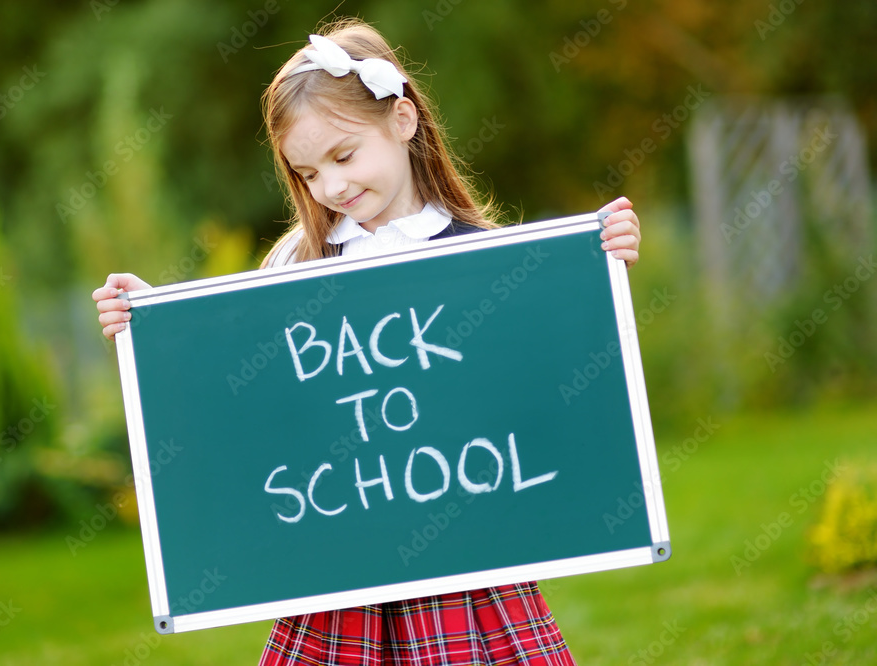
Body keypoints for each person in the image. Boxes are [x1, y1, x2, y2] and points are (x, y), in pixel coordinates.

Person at [93, 18, 640, 665]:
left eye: (343, 157)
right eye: (308, 172)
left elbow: (546, 368)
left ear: (403, 121)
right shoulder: (299, 262)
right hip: (338, 567)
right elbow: (244, 374)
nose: (331, 187)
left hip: (467, 566)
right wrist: (154, 320)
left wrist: (598, 261)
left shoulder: (483, 260)